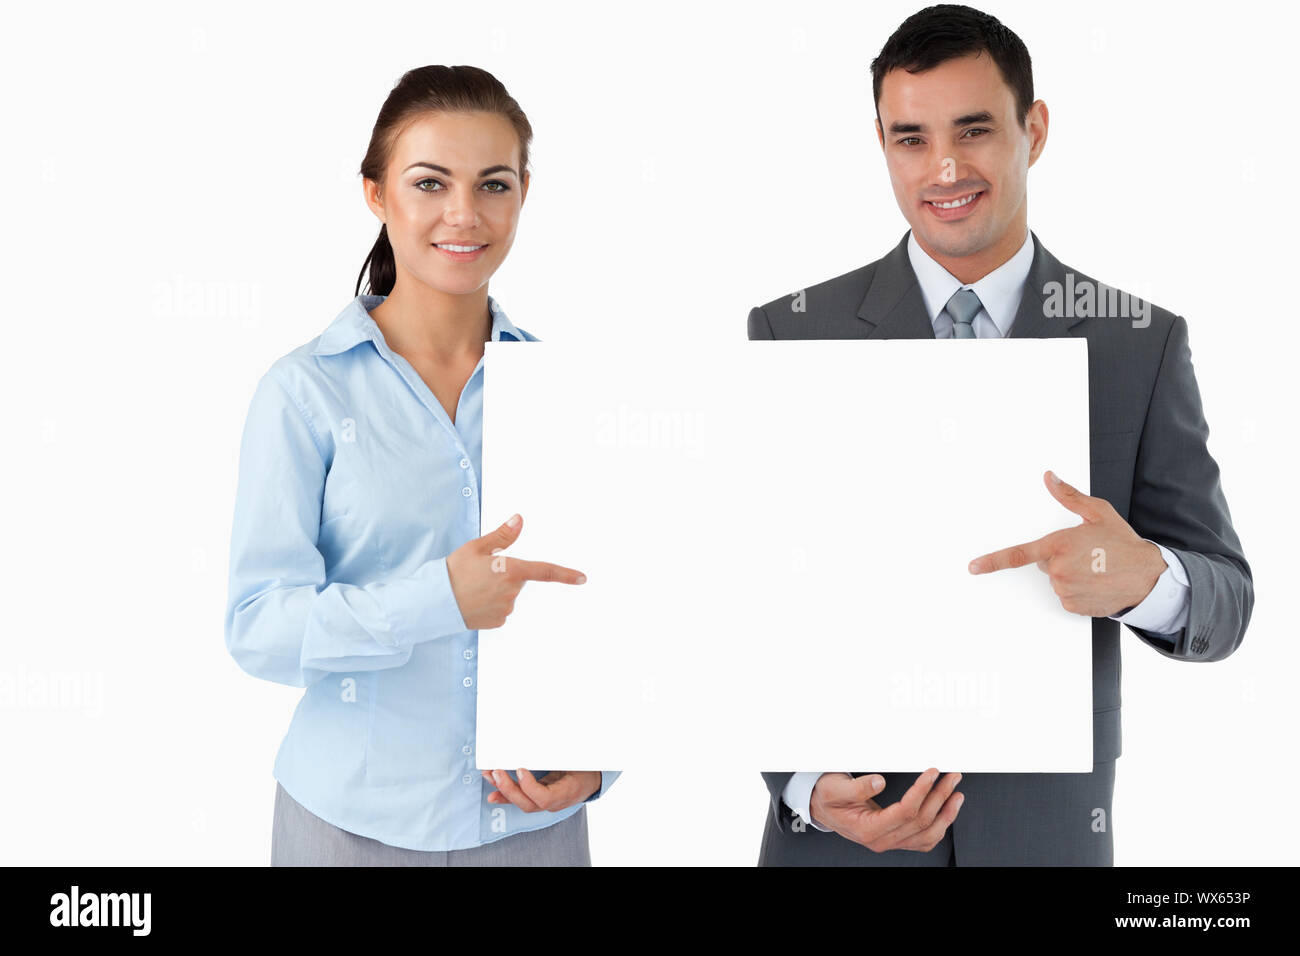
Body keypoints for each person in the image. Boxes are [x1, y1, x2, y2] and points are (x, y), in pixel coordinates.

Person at [747, 5, 1252, 865]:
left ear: (1035, 128)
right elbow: (738, 596)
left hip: (1047, 838)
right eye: (911, 138)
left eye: (973, 130)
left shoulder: (1138, 340)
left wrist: (1148, 581)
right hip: (844, 839)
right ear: (881, 142)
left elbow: (1227, 600)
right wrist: (802, 784)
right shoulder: (793, 332)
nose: (944, 168)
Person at [224, 64, 618, 866]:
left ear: (524, 194)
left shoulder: (569, 396)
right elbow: (258, 626)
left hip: (532, 832)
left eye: (494, 184)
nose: (464, 214)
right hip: (349, 829)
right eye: (430, 183)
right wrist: (435, 599)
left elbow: (619, 610)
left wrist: (600, 761)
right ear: (375, 193)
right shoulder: (303, 393)